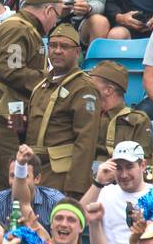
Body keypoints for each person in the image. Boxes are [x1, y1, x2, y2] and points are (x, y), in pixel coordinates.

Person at [0, 0, 63, 195]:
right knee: (5, 182)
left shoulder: (25, 29)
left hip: (11, 112)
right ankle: (1, 226)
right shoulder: (18, 29)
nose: (56, 23)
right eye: (57, 16)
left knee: (16, 176)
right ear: (50, 10)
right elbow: (11, 70)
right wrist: (49, 82)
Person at [20, 23, 100, 200]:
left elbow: (86, 141)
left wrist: (75, 187)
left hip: (62, 176)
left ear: (77, 52)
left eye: (64, 46)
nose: (57, 51)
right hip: (36, 170)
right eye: (53, 45)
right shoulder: (42, 85)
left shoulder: (83, 88)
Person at [90, 61, 152, 160]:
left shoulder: (137, 121)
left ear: (108, 90)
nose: (86, 89)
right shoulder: (87, 116)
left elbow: (141, 163)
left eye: (91, 85)